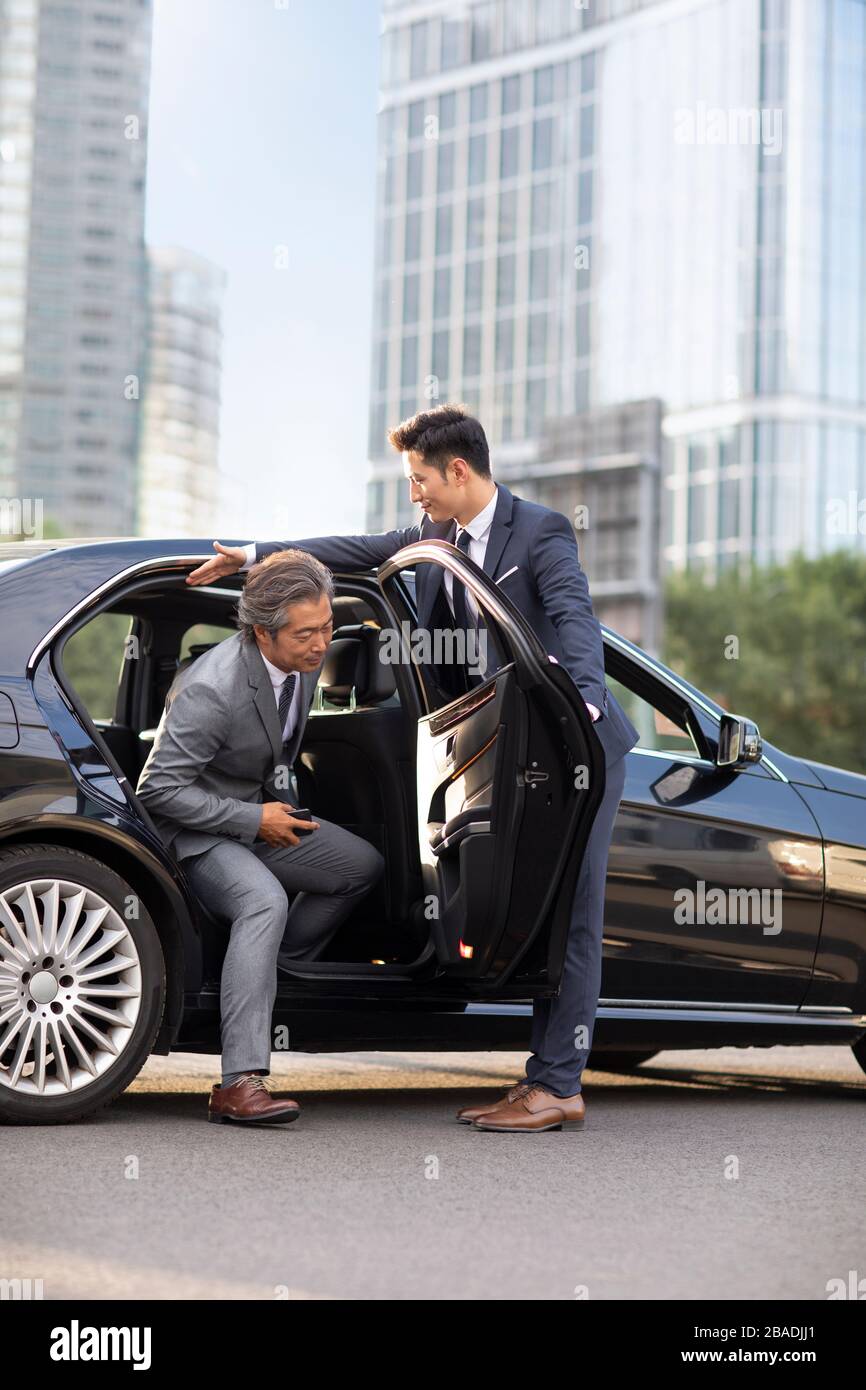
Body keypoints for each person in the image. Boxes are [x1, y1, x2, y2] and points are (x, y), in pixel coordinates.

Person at [187, 403, 639, 1133]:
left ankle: (557, 1085)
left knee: (572, 917)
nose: (414, 493)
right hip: (504, 750)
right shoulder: (436, 537)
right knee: (527, 910)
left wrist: (585, 707)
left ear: (458, 470)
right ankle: (543, 1079)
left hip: (576, 753)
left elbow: (575, 620)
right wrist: (252, 555)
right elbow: (356, 548)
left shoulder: (543, 533)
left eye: (419, 478)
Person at [138, 549, 384, 1126]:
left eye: (328, 627)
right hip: (193, 833)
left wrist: (264, 815)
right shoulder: (212, 689)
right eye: (306, 634)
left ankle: (265, 968)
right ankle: (239, 1083)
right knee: (262, 900)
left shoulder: (300, 663)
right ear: (260, 633)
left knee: (360, 867)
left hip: (253, 815)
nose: (322, 643)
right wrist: (255, 821)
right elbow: (157, 793)